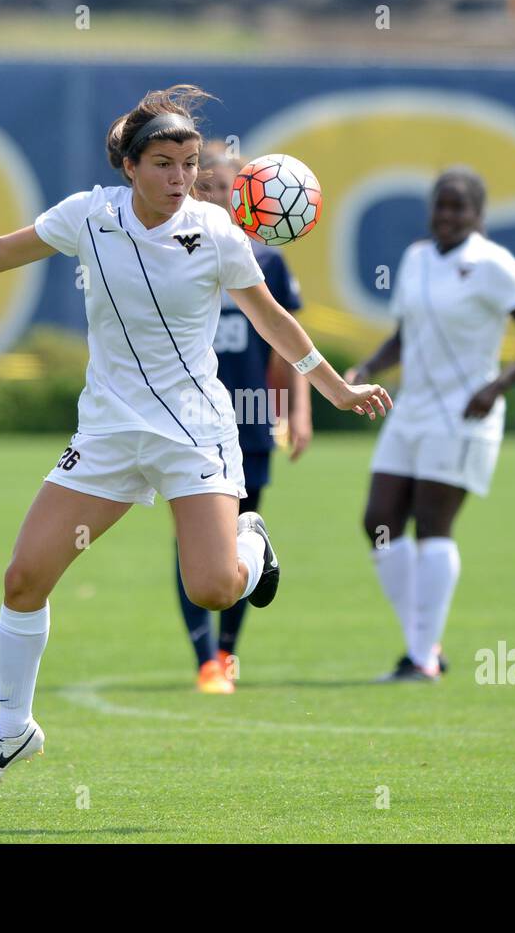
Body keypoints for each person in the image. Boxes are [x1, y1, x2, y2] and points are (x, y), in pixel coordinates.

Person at [0, 85, 392, 796]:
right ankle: (14, 729)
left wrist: (335, 390)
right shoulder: (89, 216)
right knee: (22, 579)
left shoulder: (219, 235)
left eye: (189, 162)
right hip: (108, 434)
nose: (180, 178)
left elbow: (274, 323)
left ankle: (252, 544)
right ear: (131, 167)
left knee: (211, 589)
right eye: (166, 164)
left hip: (193, 433)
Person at [345, 166, 515, 683]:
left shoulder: (493, 264)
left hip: (464, 414)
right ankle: (425, 647)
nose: (447, 215)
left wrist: (495, 387)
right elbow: (404, 334)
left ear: (479, 214)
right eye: (441, 205)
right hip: (411, 408)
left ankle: (420, 659)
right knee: (377, 521)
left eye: (459, 207)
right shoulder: (415, 257)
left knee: (431, 525)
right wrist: (366, 370)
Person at [178, 147, 313, 695]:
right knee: (189, 537)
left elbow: (286, 344)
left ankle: (229, 652)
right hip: (186, 414)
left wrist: (297, 411)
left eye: (221, 189)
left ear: (245, 194)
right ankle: (205, 658)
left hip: (250, 416)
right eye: (200, 188)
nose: (210, 197)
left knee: (239, 533)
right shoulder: (174, 252)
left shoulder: (264, 259)